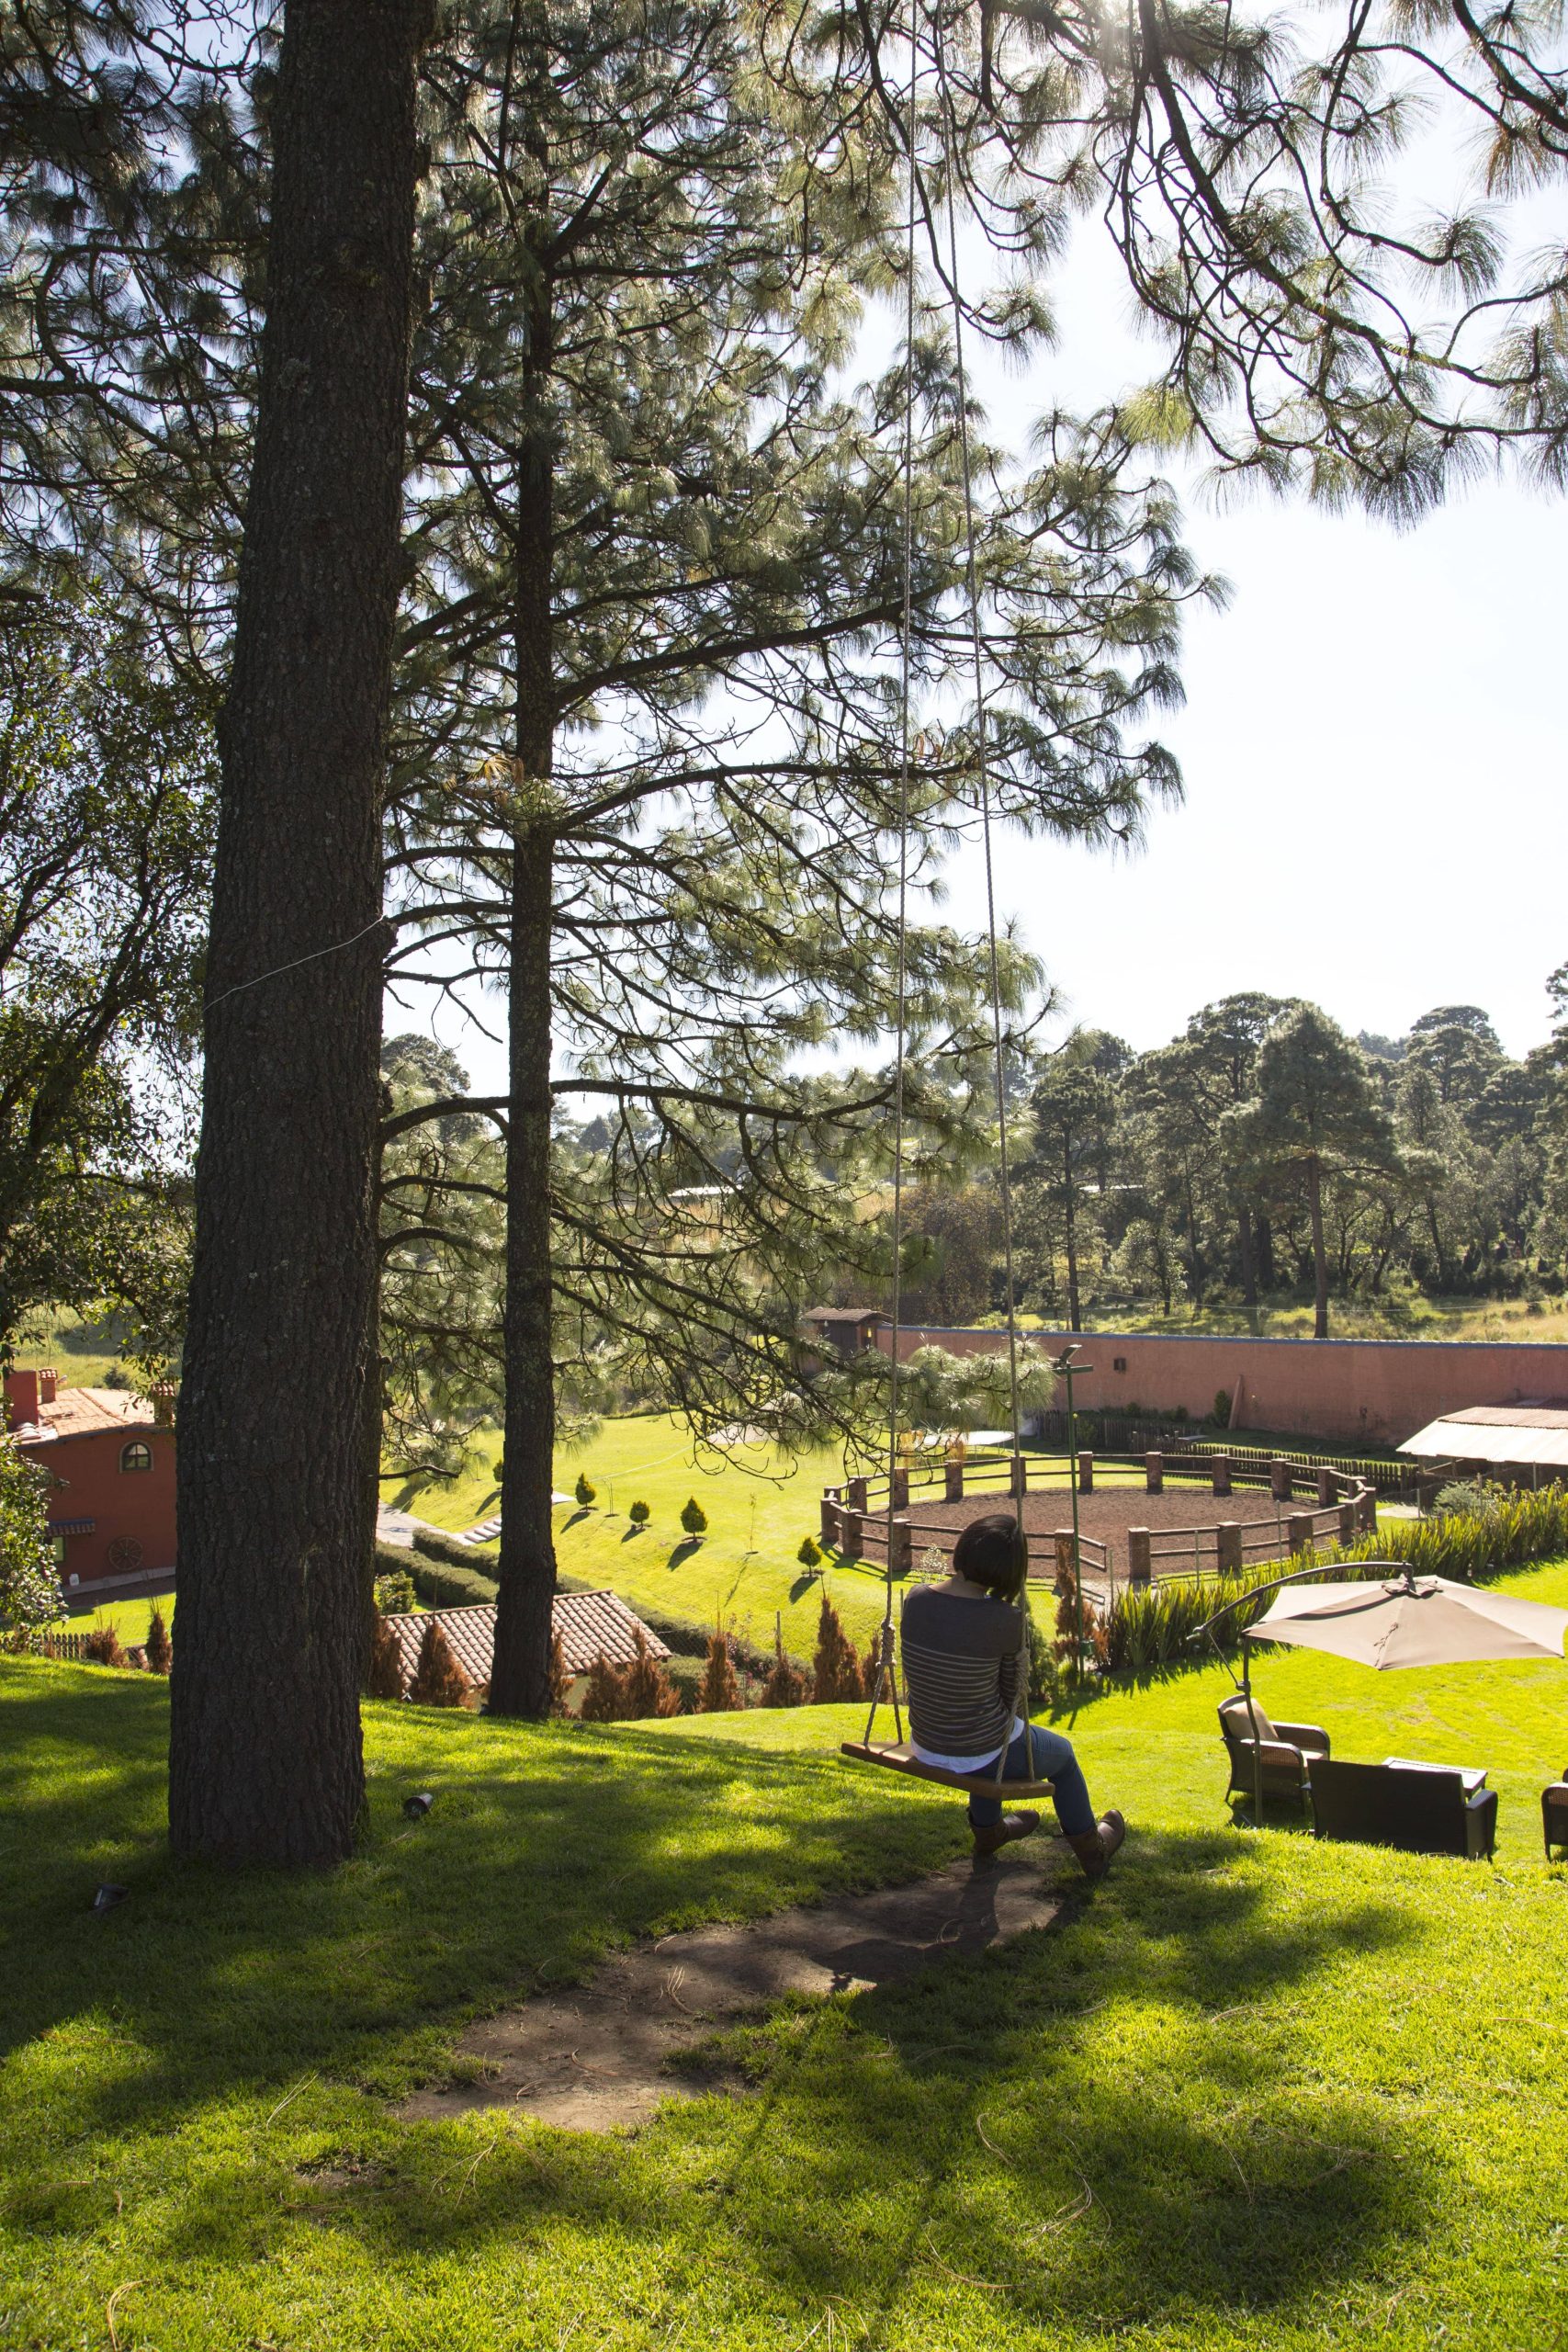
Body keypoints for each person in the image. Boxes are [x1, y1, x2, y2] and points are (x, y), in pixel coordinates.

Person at [900, 1511, 1124, 1878]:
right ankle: (1092, 1852)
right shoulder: (1005, 1619)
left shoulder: (917, 1598)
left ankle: (990, 1835)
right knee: (1063, 1757)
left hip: (926, 1742)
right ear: (1010, 1572)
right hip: (977, 1750)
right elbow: (1010, 1697)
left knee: (987, 1738)